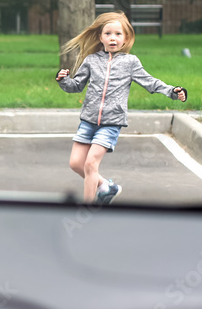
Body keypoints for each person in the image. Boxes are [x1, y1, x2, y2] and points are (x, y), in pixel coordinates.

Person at [55, 11, 187, 205]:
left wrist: (173, 91)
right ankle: (107, 188)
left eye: (118, 34)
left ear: (126, 39)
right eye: (108, 33)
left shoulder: (130, 62)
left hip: (111, 123)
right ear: (100, 37)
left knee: (91, 164)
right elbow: (76, 86)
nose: (113, 38)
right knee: (76, 164)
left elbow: (150, 83)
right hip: (88, 121)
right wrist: (63, 80)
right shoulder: (91, 60)